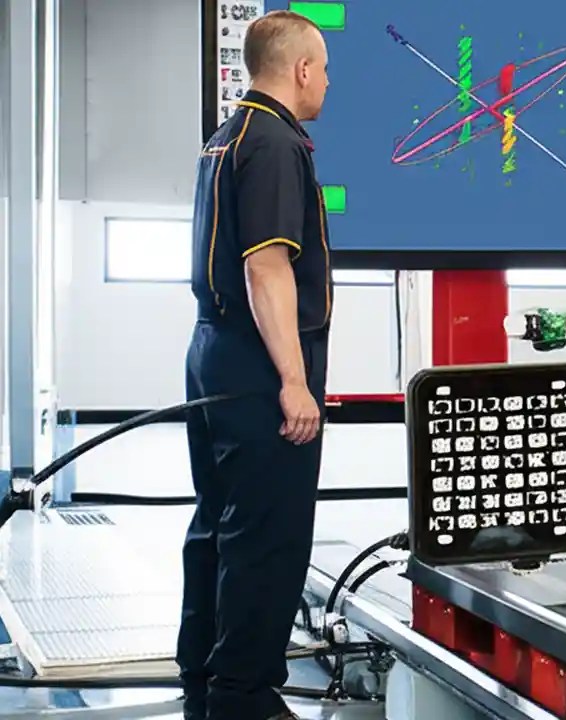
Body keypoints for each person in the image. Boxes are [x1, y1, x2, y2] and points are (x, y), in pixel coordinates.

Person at [178, 10, 333, 720]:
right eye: (324, 68)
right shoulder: (272, 141)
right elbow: (266, 267)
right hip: (256, 365)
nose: (327, 82)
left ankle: (205, 675)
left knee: (220, 521)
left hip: (213, 354)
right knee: (267, 533)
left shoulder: (227, 136)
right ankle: (245, 694)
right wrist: (295, 382)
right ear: (300, 70)